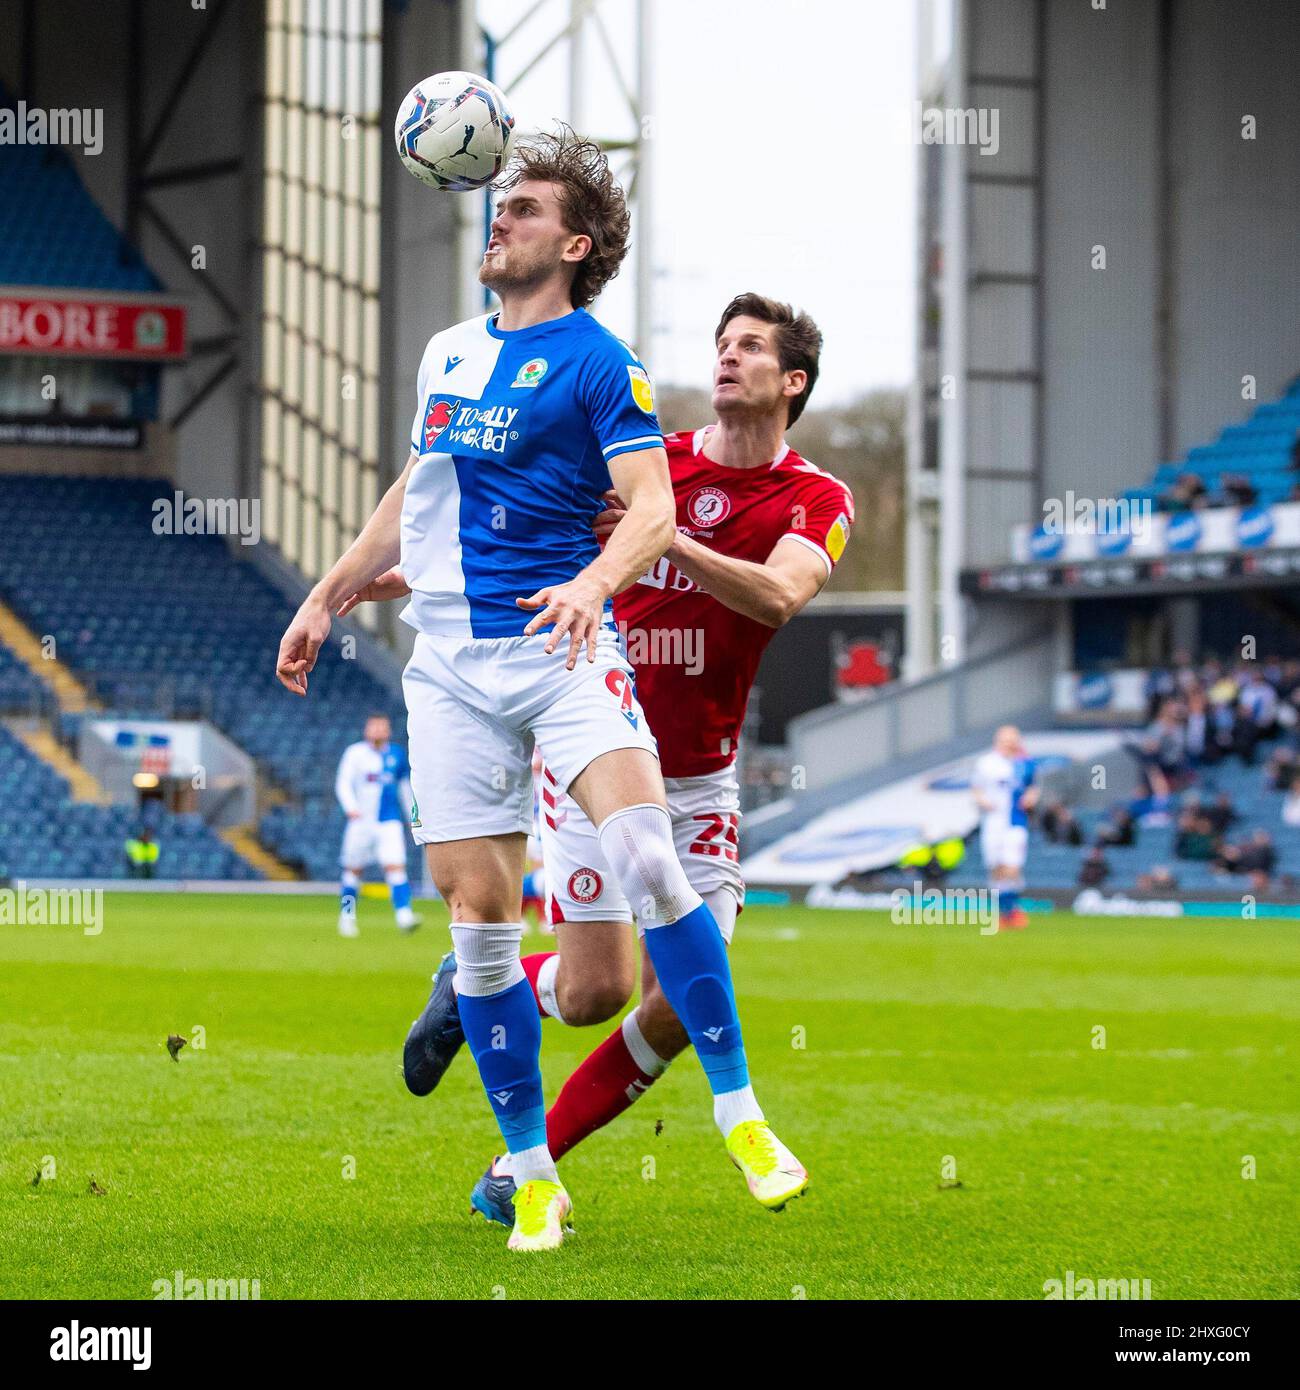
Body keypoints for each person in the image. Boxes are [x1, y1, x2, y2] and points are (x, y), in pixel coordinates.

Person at [277, 131, 800, 1252]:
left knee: (653, 856)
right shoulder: (446, 355)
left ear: (571, 243)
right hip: (448, 666)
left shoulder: (603, 364)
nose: (495, 218)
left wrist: (592, 584)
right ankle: (529, 1174)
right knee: (481, 924)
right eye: (495, 203)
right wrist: (327, 594)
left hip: (561, 651)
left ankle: (741, 1112)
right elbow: (417, 491)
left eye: (519, 208)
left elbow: (649, 512)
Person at [348, 293, 852, 1228]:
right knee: (594, 994)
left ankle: (516, 1168)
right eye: (721, 343)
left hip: (700, 779)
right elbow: (515, 517)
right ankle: (476, 985)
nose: (726, 358)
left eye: (749, 348)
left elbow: (779, 597)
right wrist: (418, 572)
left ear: (794, 383)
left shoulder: (816, 500)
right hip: (595, 748)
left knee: (659, 1006)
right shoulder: (648, 457)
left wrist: (665, 536)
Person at [334, 714, 419, 936]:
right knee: (353, 871)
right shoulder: (355, 754)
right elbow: (343, 783)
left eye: (383, 727)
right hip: (360, 821)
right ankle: (347, 917)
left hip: (388, 822)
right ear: (366, 730)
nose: (379, 730)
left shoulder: (396, 755)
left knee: (396, 867)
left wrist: (412, 817)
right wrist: (351, 807)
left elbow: (405, 790)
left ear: (389, 731)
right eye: (375, 726)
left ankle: (404, 916)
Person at [971, 725, 1038, 929]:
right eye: (1006, 740)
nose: (1010, 744)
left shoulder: (1024, 764)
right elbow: (976, 789)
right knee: (997, 868)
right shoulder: (986, 763)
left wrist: (1031, 798)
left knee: (1012, 866)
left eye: (1013, 740)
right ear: (998, 741)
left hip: (1015, 822)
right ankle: (1004, 913)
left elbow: (1032, 788)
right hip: (993, 822)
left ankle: (1013, 909)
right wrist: (983, 801)